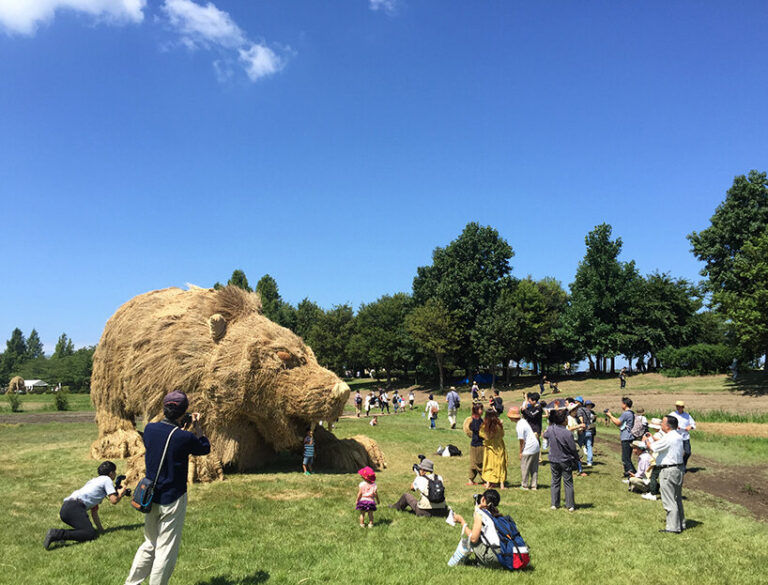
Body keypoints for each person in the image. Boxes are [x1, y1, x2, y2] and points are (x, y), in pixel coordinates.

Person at [124, 391, 211, 585]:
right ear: (183, 412)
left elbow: (165, 438)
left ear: (164, 408)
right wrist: (197, 427)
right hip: (173, 497)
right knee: (165, 549)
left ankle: (131, 583)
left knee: (150, 544)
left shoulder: (150, 429)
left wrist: (180, 424)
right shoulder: (184, 438)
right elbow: (204, 447)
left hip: (151, 494)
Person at [44, 461, 129, 549]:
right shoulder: (106, 480)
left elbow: (94, 513)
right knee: (89, 533)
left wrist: (101, 530)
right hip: (75, 507)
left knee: (86, 531)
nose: (115, 474)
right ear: (111, 473)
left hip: (66, 508)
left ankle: (60, 536)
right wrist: (121, 494)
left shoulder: (94, 482)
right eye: (114, 472)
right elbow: (114, 500)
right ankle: (56, 534)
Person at [448, 489, 528, 569]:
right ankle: (487, 562)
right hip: (505, 555)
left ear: (483, 499)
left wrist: (462, 522)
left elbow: (473, 539)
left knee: (471, 540)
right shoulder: (496, 515)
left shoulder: (480, 514)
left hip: (495, 557)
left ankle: (461, 562)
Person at [644, 416, 685, 533]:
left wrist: (647, 440)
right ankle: (681, 523)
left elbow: (652, 447)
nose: (661, 424)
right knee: (677, 499)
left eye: (663, 422)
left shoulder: (669, 437)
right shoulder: (678, 436)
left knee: (669, 499)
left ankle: (672, 527)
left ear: (667, 426)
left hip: (668, 470)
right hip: (678, 469)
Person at [543, 408, 580, 511]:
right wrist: (577, 458)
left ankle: (554, 504)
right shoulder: (567, 433)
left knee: (555, 481)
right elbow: (573, 448)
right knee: (568, 482)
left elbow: (545, 435)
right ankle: (570, 505)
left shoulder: (551, 429)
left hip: (553, 459)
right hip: (565, 459)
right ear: (564, 420)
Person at [508, 407, 539, 490]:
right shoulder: (523, 421)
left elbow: (522, 441)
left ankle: (524, 485)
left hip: (529, 447)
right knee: (534, 468)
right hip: (536, 446)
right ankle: (534, 485)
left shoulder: (519, 426)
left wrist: (521, 452)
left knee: (525, 467)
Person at [605, 397, 636, 477]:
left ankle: (633, 474)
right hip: (630, 437)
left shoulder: (626, 413)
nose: (621, 405)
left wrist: (610, 416)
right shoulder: (631, 413)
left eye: (622, 403)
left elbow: (618, 422)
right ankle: (628, 474)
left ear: (625, 404)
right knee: (627, 457)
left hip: (626, 437)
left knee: (625, 458)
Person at [479, 409, 507, 489]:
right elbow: (502, 435)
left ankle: (488, 484)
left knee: (489, 465)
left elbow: (482, 435)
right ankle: (502, 485)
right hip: (499, 448)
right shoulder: (498, 426)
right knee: (500, 465)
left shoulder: (484, 426)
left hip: (489, 449)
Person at [668, 400, 696, 472]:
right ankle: (678, 468)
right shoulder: (672, 414)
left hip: (685, 436)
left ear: (683, 407)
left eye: (680, 406)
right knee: (677, 452)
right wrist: (674, 427)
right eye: (677, 406)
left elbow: (693, 424)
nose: (678, 408)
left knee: (687, 452)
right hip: (676, 436)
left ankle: (682, 464)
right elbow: (667, 422)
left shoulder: (687, 415)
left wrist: (690, 427)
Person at [465, 403, 485, 486]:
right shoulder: (477, 420)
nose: (482, 410)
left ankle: (470, 480)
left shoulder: (478, 419)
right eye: (481, 409)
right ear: (476, 410)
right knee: (479, 462)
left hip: (474, 443)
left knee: (473, 463)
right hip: (478, 444)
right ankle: (486, 480)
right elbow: (479, 432)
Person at [521, 392, 544, 464]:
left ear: (534, 401)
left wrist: (525, 410)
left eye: (530, 400)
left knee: (534, 445)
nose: (529, 402)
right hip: (530, 428)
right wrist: (523, 409)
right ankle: (536, 459)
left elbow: (532, 415)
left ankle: (538, 460)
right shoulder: (531, 407)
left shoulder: (538, 408)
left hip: (535, 429)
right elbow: (525, 413)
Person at [566, 403, 587, 476]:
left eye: (576, 410)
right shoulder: (568, 418)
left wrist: (580, 429)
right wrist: (579, 426)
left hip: (575, 439)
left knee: (575, 456)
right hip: (570, 440)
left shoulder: (574, 419)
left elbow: (575, 429)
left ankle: (576, 470)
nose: (576, 411)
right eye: (574, 410)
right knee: (580, 454)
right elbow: (568, 429)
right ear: (570, 411)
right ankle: (579, 471)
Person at [583, 400, 597, 466]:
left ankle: (587, 461)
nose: (589, 407)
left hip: (587, 430)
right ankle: (589, 461)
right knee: (589, 446)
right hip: (588, 430)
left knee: (587, 445)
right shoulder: (592, 413)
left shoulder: (582, 412)